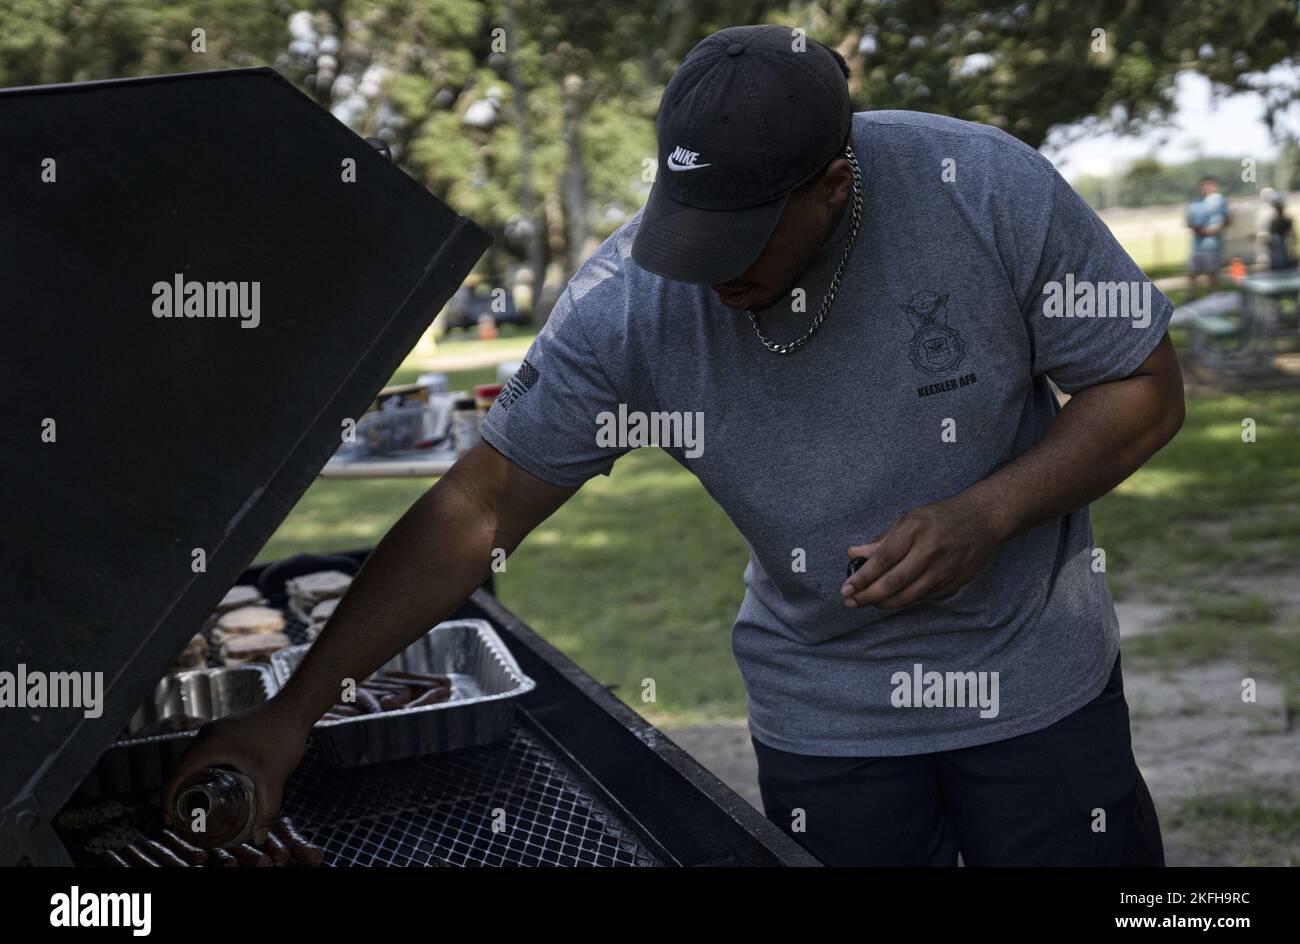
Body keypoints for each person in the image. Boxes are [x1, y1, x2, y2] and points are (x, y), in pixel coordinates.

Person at [166, 24, 1184, 866]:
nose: (707, 276)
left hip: (1036, 683)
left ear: (833, 184)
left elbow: (1140, 385)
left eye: (740, 243)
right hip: (822, 717)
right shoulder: (627, 307)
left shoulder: (982, 188)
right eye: (688, 235)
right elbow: (476, 507)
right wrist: (292, 711)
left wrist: (988, 509)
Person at [1186, 174, 1227, 294]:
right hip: (1197, 246)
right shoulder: (1194, 203)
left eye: (1210, 185)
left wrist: (1211, 230)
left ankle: (1216, 297)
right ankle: (1190, 297)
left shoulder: (1220, 201)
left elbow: (1225, 221)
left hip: (1212, 245)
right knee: (1192, 274)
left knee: (1213, 274)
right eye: (1205, 185)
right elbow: (1188, 221)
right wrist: (1198, 229)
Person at [1267, 191, 1295, 271]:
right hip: (1276, 251)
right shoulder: (1273, 221)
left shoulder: (1287, 220)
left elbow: (1290, 236)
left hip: (1283, 249)